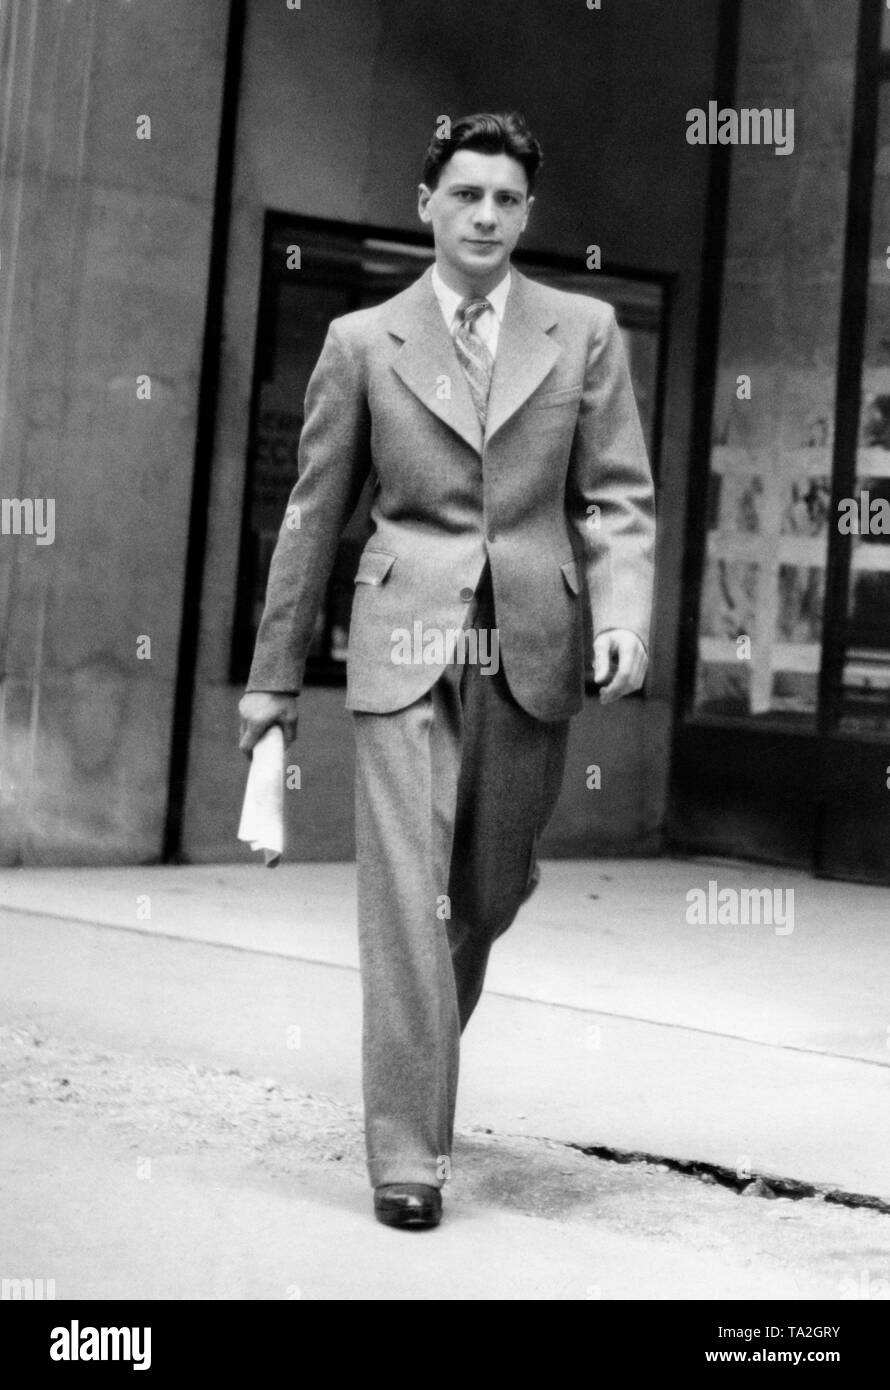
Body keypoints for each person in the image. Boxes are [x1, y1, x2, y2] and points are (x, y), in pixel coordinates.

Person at [239, 111, 656, 1229]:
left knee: (485, 890)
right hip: (402, 643)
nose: (483, 215)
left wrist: (620, 616)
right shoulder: (363, 342)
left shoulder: (584, 333)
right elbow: (310, 517)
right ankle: (407, 1153)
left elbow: (616, 496)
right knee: (406, 903)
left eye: (505, 199)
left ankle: (413, 1064)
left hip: (531, 643)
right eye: (463, 194)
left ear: (527, 213)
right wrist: (272, 678)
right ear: (425, 203)